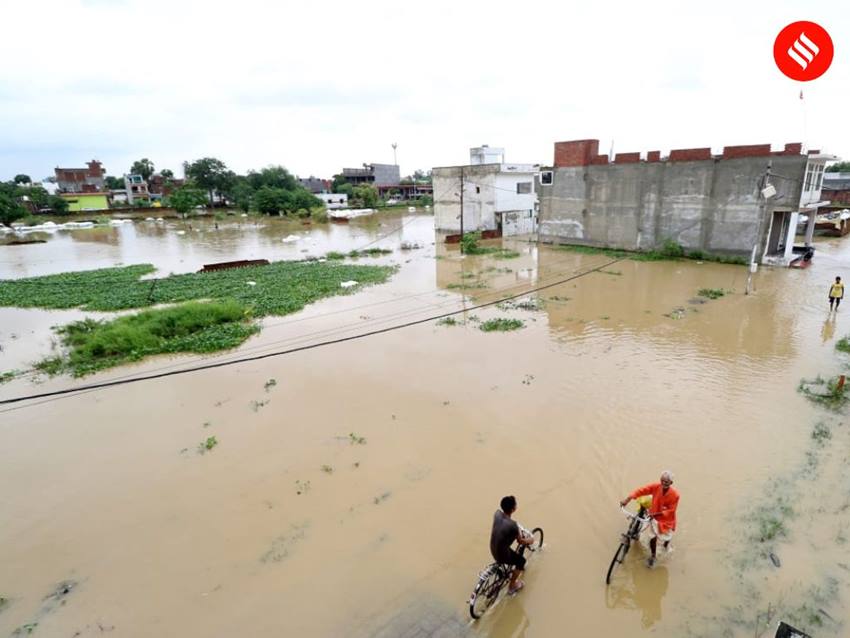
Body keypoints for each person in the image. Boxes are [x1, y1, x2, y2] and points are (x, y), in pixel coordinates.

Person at [620, 471, 680, 568]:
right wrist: (628, 499)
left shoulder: (675, 495)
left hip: (666, 518)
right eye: (662, 480)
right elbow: (642, 490)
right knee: (653, 537)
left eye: (667, 482)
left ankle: (666, 545)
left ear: (671, 483)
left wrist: (658, 513)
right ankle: (653, 556)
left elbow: (671, 510)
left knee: (667, 537)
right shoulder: (656, 487)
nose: (664, 483)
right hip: (654, 515)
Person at [490, 495, 533, 594]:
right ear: (513, 509)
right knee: (521, 561)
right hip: (501, 555)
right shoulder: (513, 526)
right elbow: (521, 541)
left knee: (506, 547)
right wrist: (531, 540)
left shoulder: (497, 514)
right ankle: (512, 586)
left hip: (492, 548)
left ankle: (506, 573)